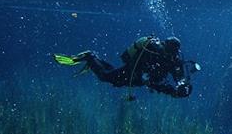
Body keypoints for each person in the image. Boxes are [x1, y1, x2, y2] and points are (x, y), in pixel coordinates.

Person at [54, 35, 198, 98]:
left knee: (111, 77)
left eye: (173, 53)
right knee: (106, 77)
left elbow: (179, 76)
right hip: (133, 72)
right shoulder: (152, 50)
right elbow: (145, 74)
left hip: (142, 79)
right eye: (168, 51)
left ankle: (95, 58)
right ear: (164, 46)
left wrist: (182, 86)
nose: (170, 55)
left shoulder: (175, 59)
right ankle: (90, 57)